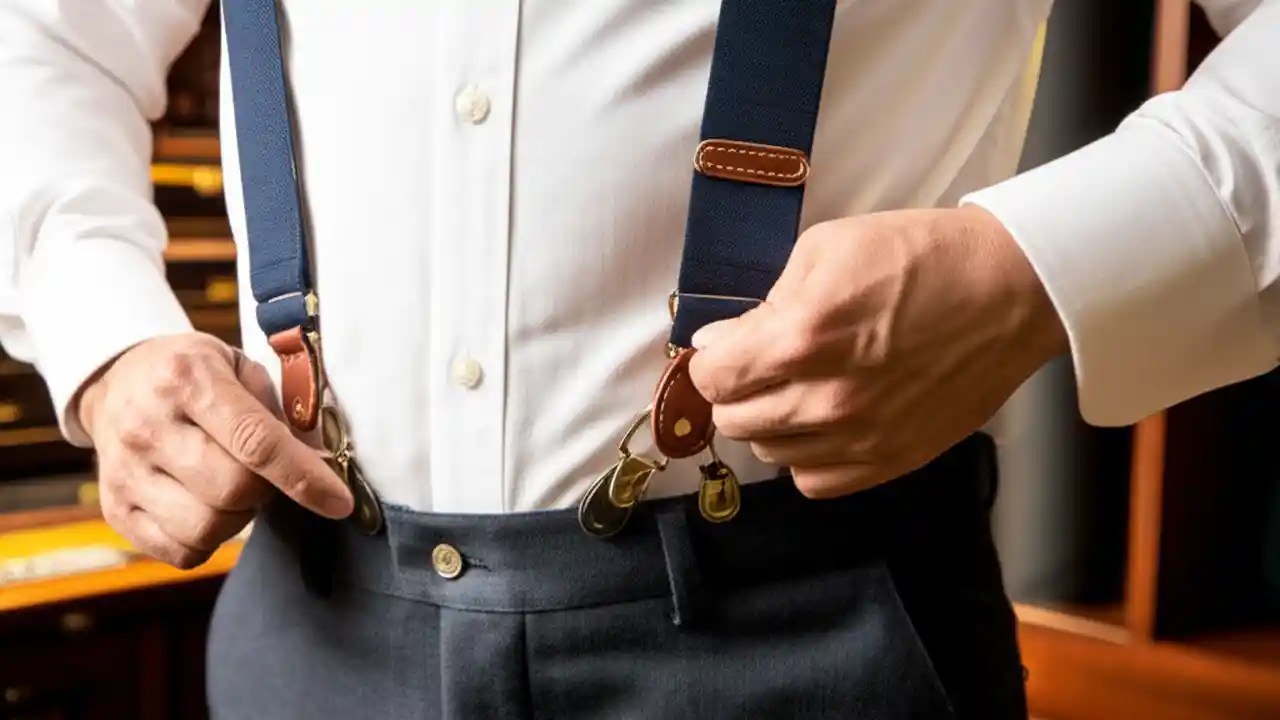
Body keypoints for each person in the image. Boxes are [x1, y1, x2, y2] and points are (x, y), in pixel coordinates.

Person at [0, 0, 1275, 718]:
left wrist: (1027, 270)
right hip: (308, 630)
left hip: (808, 635)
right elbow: (46, 35)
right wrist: (100, 333)